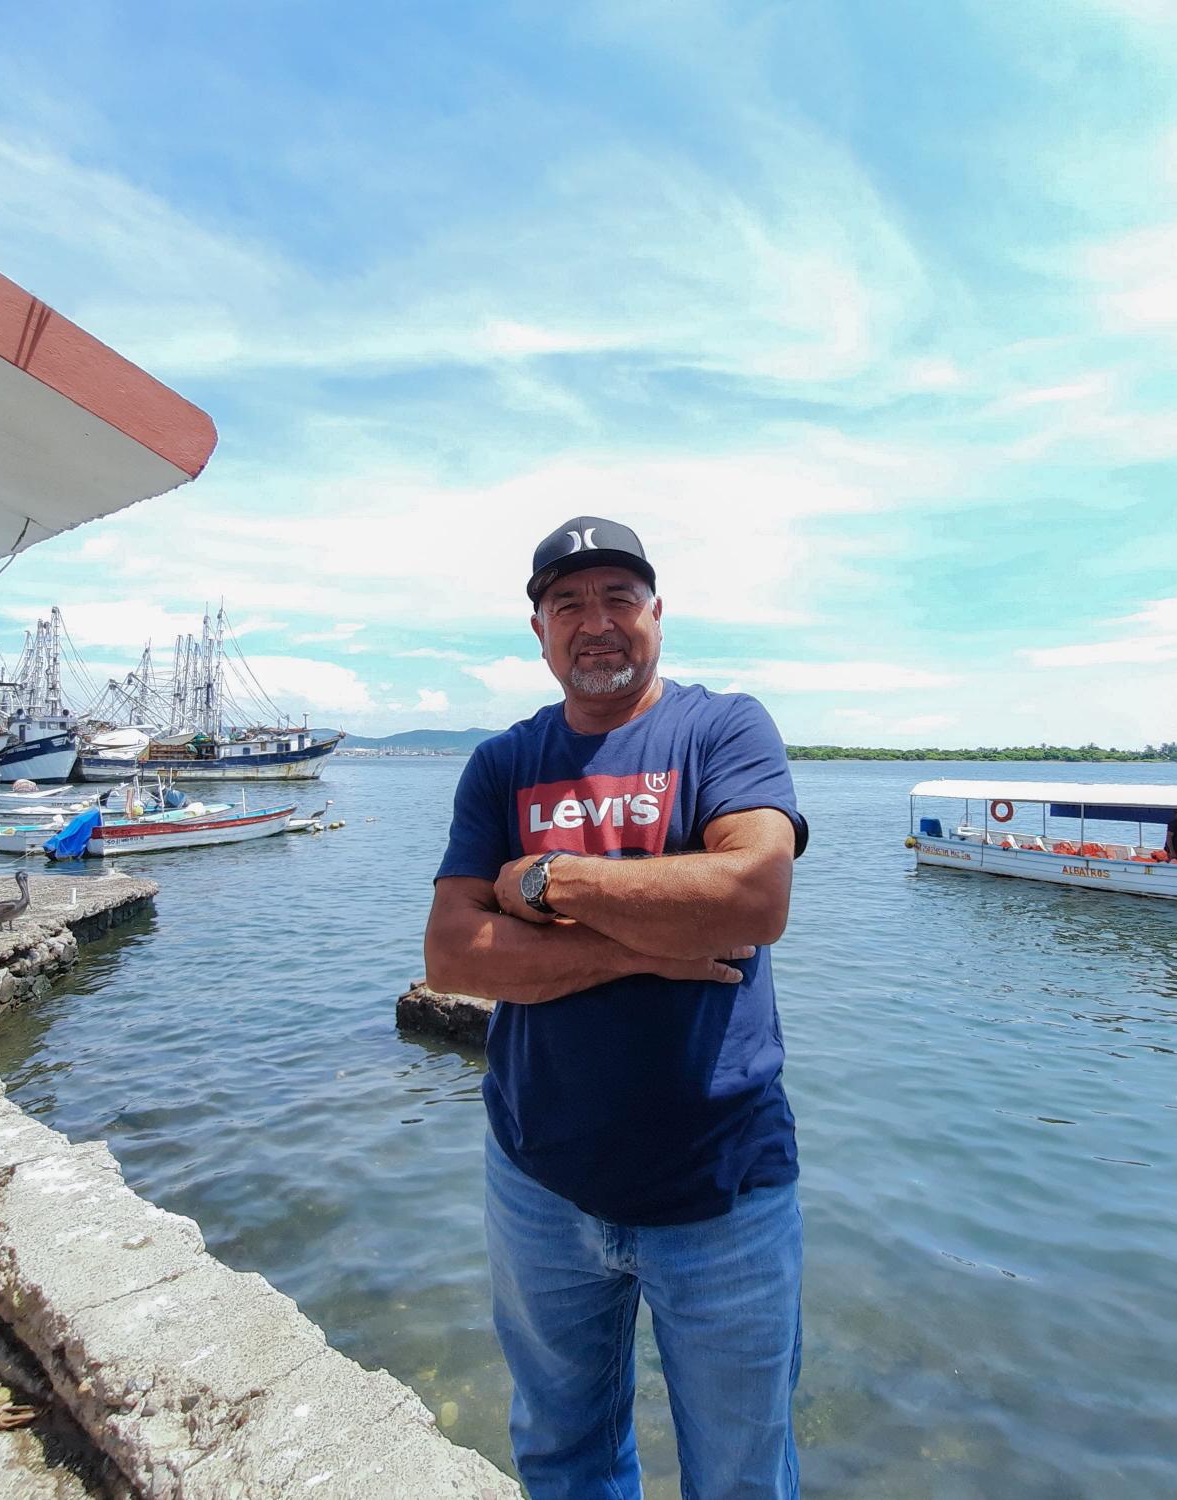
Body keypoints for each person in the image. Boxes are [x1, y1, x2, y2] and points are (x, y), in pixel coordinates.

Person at [423, 515, 808, 1500]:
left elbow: (752, 899)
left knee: (738, 1477)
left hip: (721, 1186)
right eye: (568, 604)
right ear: (539, 632)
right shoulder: (501, 765)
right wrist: (649, 938)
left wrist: (547, 882)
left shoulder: (722, 729)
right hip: (538, 1181)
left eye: (616, 598)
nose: (595, 622)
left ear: (656, 617)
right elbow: (452, 954)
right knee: (562, 1454)